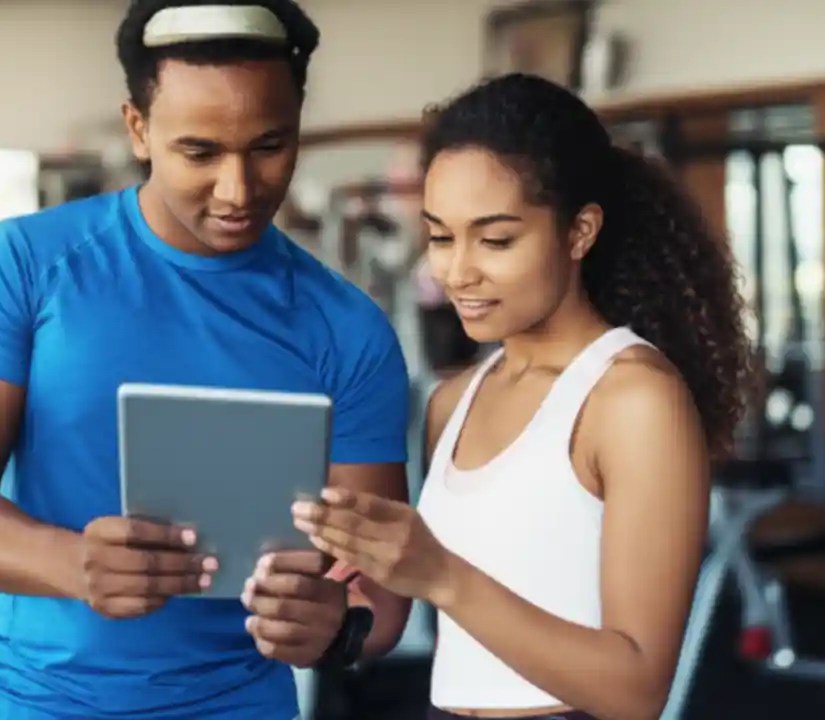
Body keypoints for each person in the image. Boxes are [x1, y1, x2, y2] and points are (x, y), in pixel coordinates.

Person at [0, 2, 413, 718]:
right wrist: (72, 564)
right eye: (200, 153)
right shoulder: (22, 265)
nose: (238, 189)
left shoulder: (348, 329)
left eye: (270, 146)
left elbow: (383, 589)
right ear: (139, 128)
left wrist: (338, 626)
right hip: (38, 704)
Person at [291, 73, 755, 720]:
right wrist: (319, 609)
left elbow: (637, 691)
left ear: (580, 231)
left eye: (495, 240)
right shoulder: (453, 402)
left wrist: (441, 574)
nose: (458, 272)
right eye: (441, 237)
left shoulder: (632, 400)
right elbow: (433, 629)